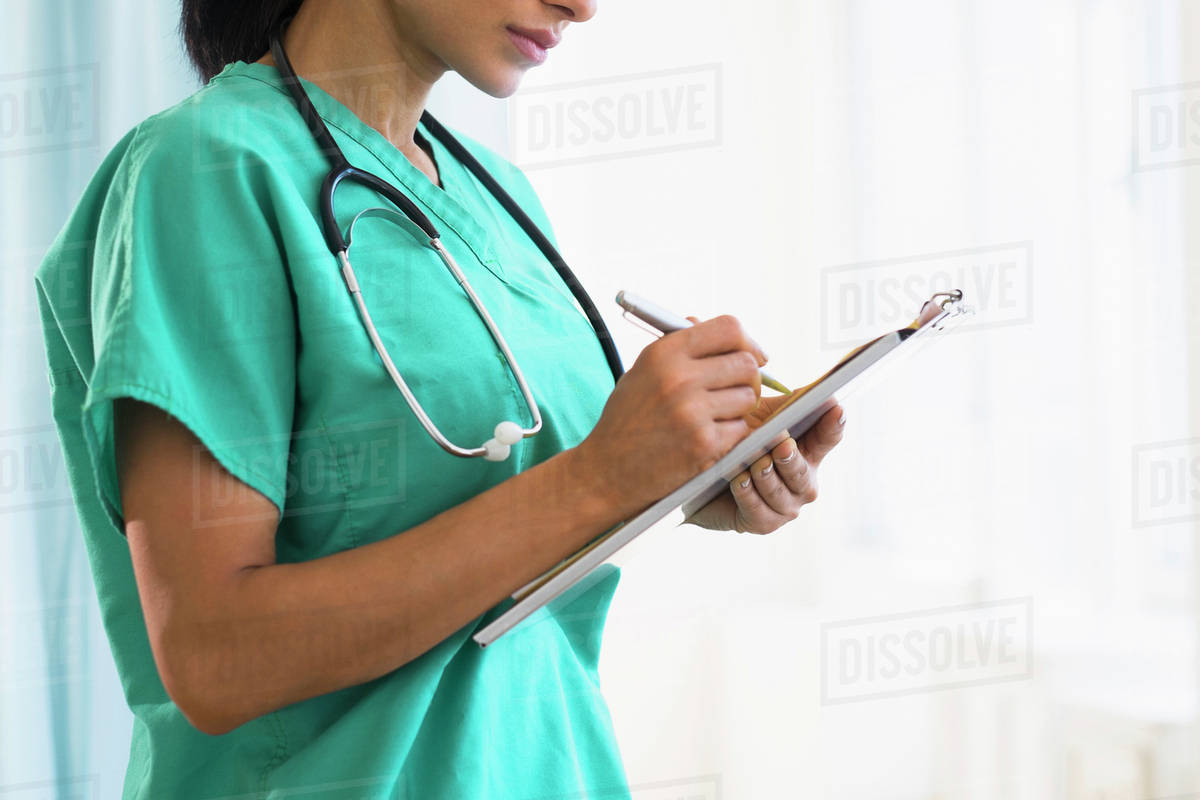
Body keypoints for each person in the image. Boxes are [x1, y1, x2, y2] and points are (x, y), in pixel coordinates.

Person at [32, 0, 846, 797]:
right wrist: (599, 477)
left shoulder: (498, 194)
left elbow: (515, 507)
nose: (582, 7)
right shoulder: (206, 168)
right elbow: (214, 656)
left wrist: (682, 471)